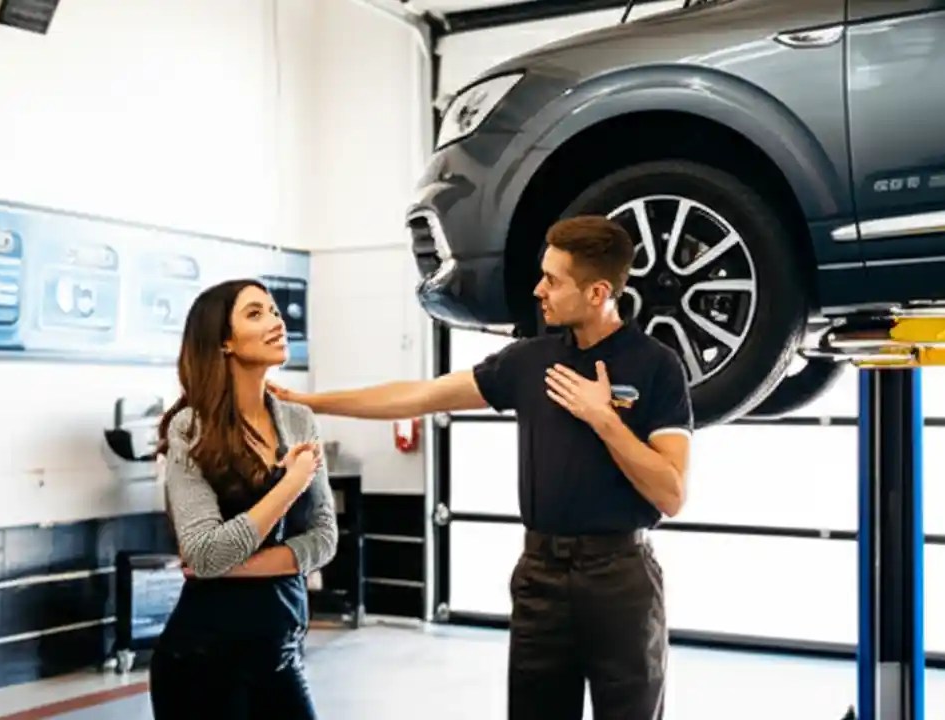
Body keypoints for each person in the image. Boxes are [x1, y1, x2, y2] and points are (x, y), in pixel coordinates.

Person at [270, 216, 693, 720]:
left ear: (599, 291)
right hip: (541, 574)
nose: (539, 290)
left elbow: (671, 493)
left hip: (620, 577)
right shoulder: (529, 361)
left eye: (553, 280)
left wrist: (604, 419)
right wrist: (307, 400)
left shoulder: (657, 366)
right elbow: (419, 395)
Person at [148, 279, 338, 720]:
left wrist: (233, 565)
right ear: (224, 342)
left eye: (274, 311)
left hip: (281, 653)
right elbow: (202, 550)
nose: (276, 322)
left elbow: (324, 540)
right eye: (255, 314)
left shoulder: (298, 420)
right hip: (202, 661)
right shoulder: (190, 428)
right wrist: (290, 484)